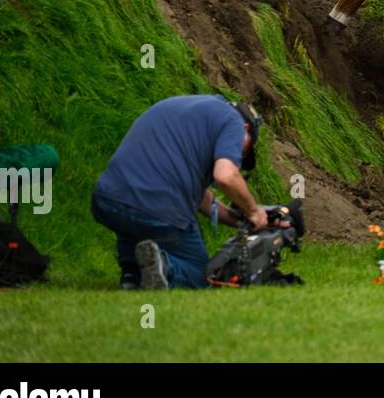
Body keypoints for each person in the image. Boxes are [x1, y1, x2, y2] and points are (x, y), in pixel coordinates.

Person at [91, 96, 273, 290]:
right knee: (203, 275)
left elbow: (201, 196)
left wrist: (237, 220)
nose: (239, 153)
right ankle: (165, 268)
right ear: (246, 130)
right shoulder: (234, 122)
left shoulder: (182, 107)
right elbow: (226, 176)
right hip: (158, 210)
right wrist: (254, 212)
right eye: (243, 150)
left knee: (134, 219)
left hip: (108, 200)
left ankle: (131, 275)